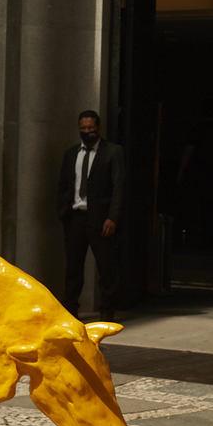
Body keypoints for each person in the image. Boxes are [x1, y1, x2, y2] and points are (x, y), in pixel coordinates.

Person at [56, 108, 124, 321]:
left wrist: (112, 216)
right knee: (73, 269)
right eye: (83, 128)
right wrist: (63, 211)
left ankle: (107, 313)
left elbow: (118, 187)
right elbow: (64, 185)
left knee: (106, 268)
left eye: (91, 128)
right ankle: (70, 312)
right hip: (75, 217)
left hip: (100, 218)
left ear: (98, 128)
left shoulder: (112, 152)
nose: (87, 132)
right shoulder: (71, 153)